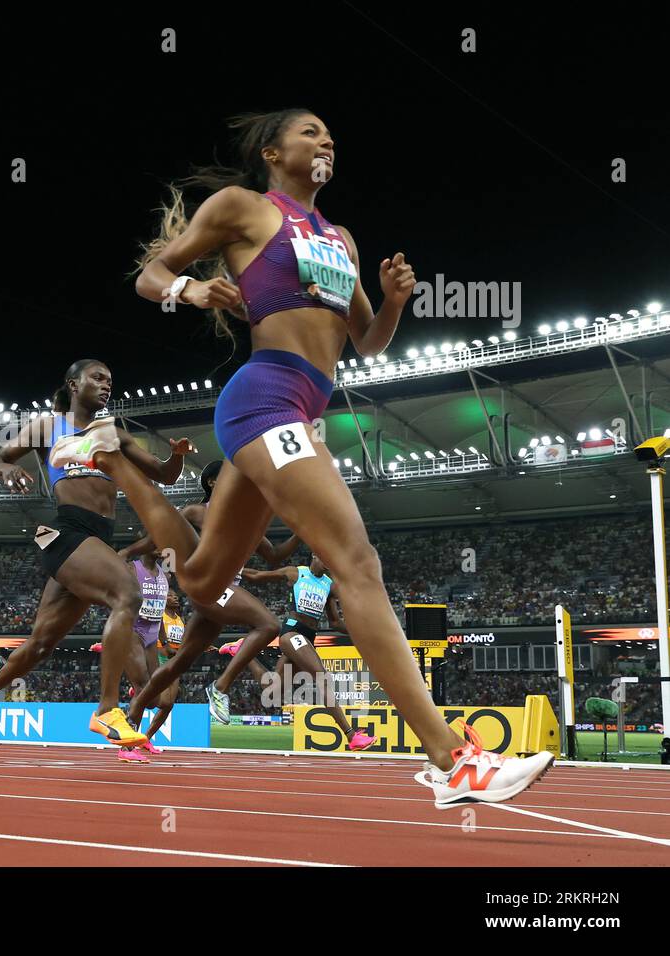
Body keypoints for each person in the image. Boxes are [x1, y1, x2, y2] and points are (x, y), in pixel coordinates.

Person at [50, 109, 553, 807]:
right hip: (264, 398)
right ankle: (452, 761)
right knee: (357, 560)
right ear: (271, 150)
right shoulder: (245, 208)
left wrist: (394, 303)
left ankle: (116, 464)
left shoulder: (341, 239)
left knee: (200, 578)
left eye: (330, 135)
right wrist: (190, 289)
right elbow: (151, 275)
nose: (327, 141)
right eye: (311, 131)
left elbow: (366, 341)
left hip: (304, 411)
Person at [0, 359, 194, 747]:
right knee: (128, 594)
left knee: (40, 646)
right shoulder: (48, 426)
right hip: (65, 532)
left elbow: (164, 474)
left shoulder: (113, 434)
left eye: (110, 380)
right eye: (97, 378)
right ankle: (107, 710)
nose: (106, 385)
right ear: (73, 384)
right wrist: (6, 471)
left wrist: (178, 455)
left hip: (95, 541)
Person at [118, 460, 295, 731]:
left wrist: (302, 532)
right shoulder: (197, 512)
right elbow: (158, 535)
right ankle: (220, 687)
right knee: (269, 624)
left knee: (180, 663)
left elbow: (274, 555)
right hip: (209, 585)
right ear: (212, 482)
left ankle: (132, 717)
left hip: (219, 594)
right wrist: (127, 552)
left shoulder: (246, 521)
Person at [236, 556, 376, 750]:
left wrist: (360, 631)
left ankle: (242, 651)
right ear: (314, 555)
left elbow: (335, 622)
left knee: (273, 689)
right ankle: (351, 736)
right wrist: (232, 571)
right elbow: (258, 575)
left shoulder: (329, 585)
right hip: (292, 633)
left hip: (307, 639)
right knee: (322, 678)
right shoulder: (295, 573)